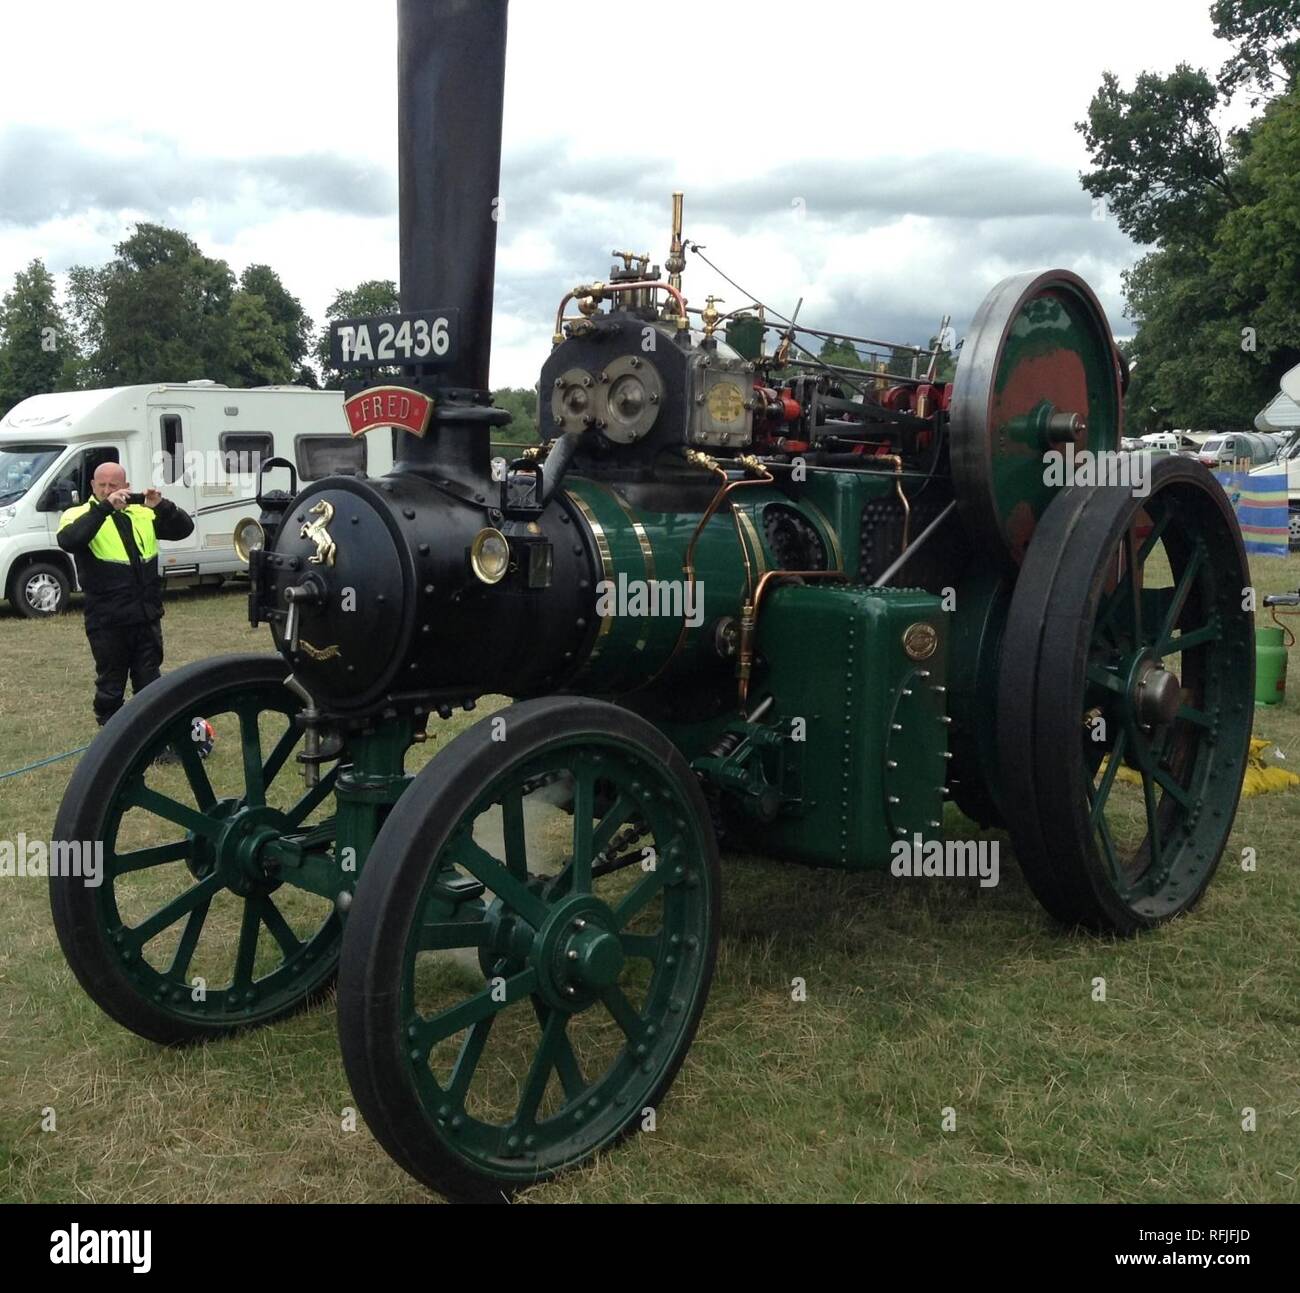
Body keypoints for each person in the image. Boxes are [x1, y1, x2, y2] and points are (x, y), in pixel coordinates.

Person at [57, 462, 194, 725]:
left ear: (126, 487)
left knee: (151, 685)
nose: (108, 490)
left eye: (114, 486)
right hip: (108, 620)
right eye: (103, 485)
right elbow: (70, 540)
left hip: (146, 616)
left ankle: (154, 743)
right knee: (111, 686)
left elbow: (184, 529)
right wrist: (106, 508)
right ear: (93, 486)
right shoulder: (79, 514)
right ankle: (110, 747)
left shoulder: (141, 514)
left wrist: (162, 506)